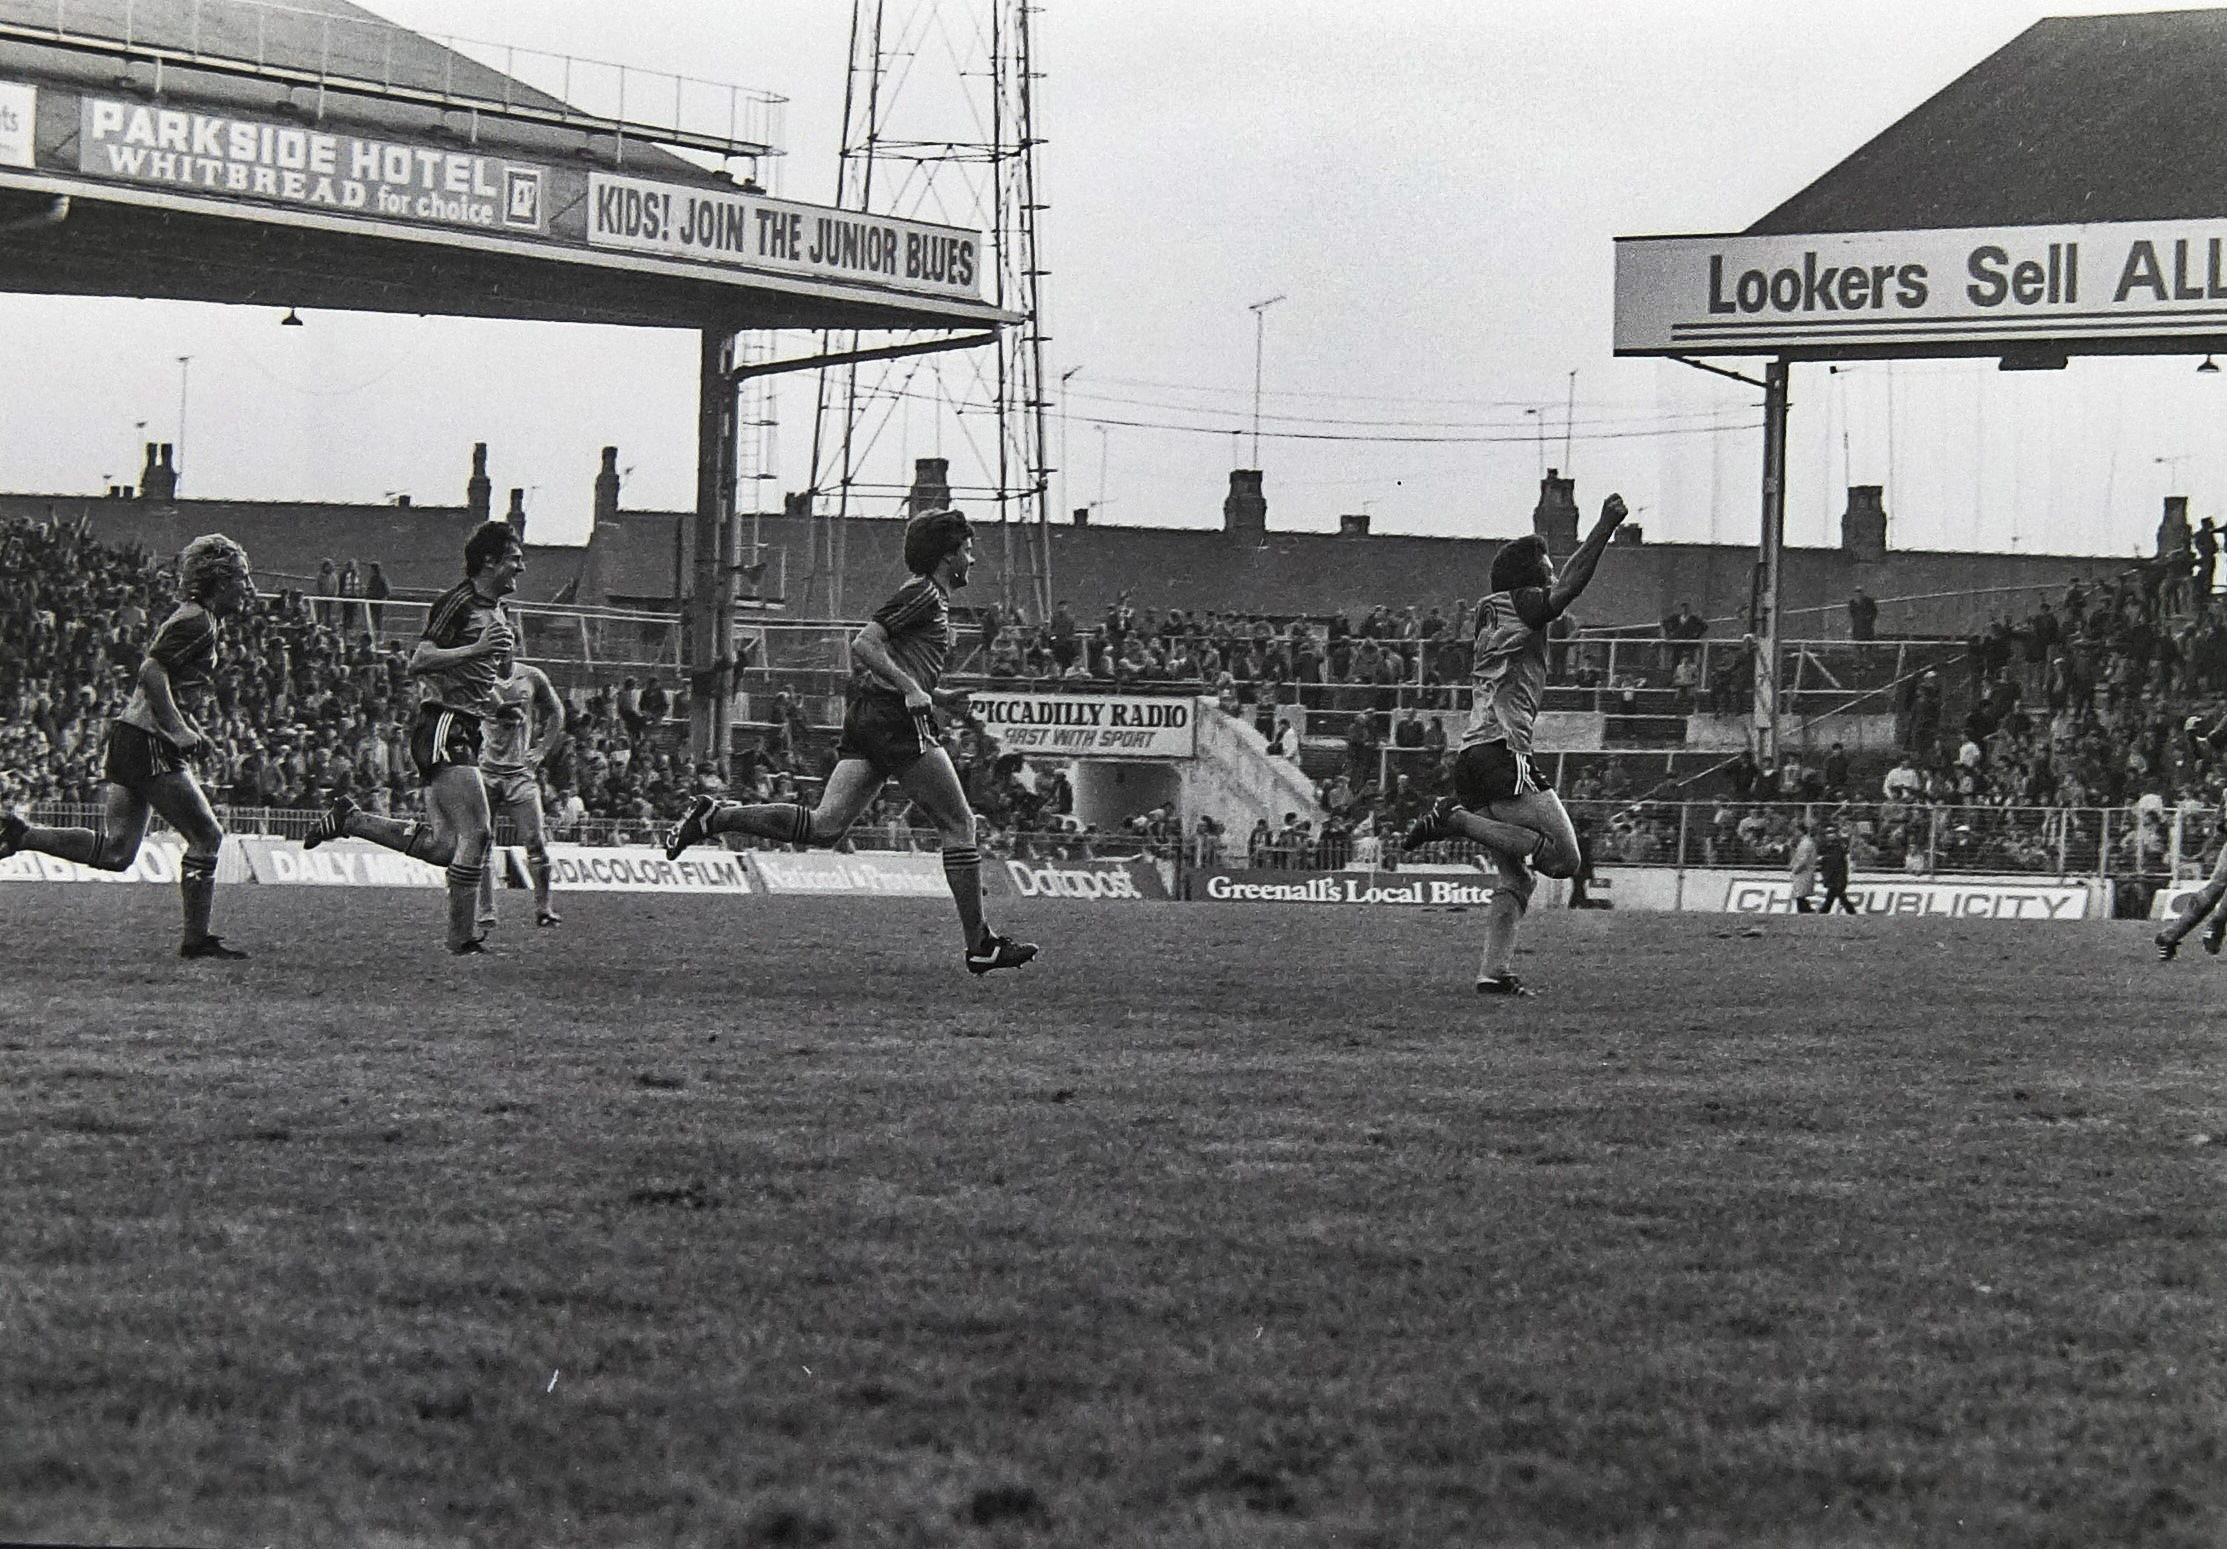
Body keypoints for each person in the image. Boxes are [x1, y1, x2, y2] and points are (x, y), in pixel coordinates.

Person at [663, 509, 1037, 975]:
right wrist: (913, 690)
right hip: (893, 719)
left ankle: (714, 817)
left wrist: (938, 694)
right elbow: (865, 644)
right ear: (946, 556)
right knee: (960, 824)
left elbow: (899, 657)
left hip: (872, 715)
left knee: (825, 826)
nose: (972, 559)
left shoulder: (931, 598)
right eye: (966, 549)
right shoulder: (923, 592)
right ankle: (980, 944)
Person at [1401, 493, 1631, 996]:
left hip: (1472, 754)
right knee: (1562, 860)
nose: (1551, 577)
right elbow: (1566, 588)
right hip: (1504, 751)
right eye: (1545, 570)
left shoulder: (1490, 614)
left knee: (1516, 880)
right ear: (1528, 580)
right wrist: (1604, 527)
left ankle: (1493, 972)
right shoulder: (1520, 604)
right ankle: (1454, 820)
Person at [0, 534, 257, 959]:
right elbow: (152, 671)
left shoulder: (200, 618)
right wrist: (177, 729)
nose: (247, 589)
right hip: (149, 740)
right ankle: (196, 941)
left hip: (132, 736)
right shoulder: (198, 621)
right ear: (220, 581)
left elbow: (165, 682)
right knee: (207, 835)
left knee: (117, 852)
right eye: (243, 579)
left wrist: (192, 727)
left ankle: (22, 833)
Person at [300, 521, 524, 954]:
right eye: (515, 557)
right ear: (490, 561)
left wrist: (498, 705)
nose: (522, 566)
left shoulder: (498, 611)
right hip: (443, 723)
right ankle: (461, 938)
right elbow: (421, 660)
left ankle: (352, 820)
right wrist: (476, 650)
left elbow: (477, 678)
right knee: (477, 833)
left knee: (444, 846)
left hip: (464, 727)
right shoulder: (457, 601)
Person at [473, 655, 566, 933]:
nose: (499, 651)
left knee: (536, 841)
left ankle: (544, 909)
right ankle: (486, 911)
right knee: (480, 843)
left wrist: (540, 750)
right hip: (486, 772)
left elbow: (556, 711)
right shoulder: (480, 677)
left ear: (514, 647)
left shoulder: (532, 676)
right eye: (495, 644)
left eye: (506, 644)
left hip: (520, 775)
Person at [1816, 820, 1857, 914]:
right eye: (1828, 833)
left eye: (1832, 832)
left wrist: (1823, 859)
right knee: (1838, 896)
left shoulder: (1839, 845)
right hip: (1832, 876)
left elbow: (1839, 860)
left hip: (1838, 876)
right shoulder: (1825, 846)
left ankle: (1824, 912)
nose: (1830, 835)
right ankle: (1851, 912)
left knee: (1835, 895)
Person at [1788, 821, 1819, 913]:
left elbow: (1804, 859)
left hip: (1803, 871)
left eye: (1796, 831)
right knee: (1799, 894)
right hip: (1802, 871)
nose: (1794, 833)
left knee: (1800, 894)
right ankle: (1806, 910)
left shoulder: (1806, 843)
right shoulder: (1803, 842)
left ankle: (1806, 911)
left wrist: (1796, 869)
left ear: (1800, 831)